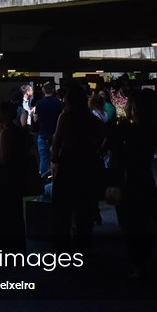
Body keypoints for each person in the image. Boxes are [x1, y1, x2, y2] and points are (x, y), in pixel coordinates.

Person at [106, 89, 157, 280]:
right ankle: (143, 263)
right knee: (144, 223)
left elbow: (113, 154)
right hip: (145, 179)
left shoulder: (125, 130)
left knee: (129, 224)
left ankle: (137, 264)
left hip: (127, 181)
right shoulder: (152, 130)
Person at [50, 85, 106, 253]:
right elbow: (104, 136)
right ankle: (83, 247)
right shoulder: (91, 119)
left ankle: (62, 248)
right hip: (87, 162)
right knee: (84, 208)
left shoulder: (66, 117)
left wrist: (54, 158)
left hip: (68, 162)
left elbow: (57, 139)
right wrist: (95, 150)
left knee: (62, 208)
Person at [0, 101, 27, 252]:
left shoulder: (6, 133)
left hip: (6, 178)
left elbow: (3, 159)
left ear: (6, 114)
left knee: (2, 214)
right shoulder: (17, 131)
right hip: (17, 177)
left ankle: (4, 248)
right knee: (15, 214)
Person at [31, 82, 63, 176]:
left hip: (43, 134)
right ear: (53, 90)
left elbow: (36, 119)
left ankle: (44, 179)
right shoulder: (59, 103)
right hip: (56, 135)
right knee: (57, 159)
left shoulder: (39, 103)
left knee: (44, 159)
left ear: (43, 91)